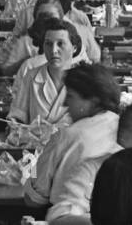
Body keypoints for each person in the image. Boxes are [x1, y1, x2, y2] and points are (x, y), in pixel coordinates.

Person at [24, 64, 122, 212]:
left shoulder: (66, 137)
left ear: (93, 101)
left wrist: (32, 168)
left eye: (70, 96)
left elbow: (34, 198)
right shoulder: (126, 128)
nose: (65, 104)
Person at [8, 19, 82, 125]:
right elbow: (16, 117)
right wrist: (17, 129)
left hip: (70, 141)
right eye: (48, 44)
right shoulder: (31, 77)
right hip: (33, 141)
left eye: (60, 44)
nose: (53, 50)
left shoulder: (84, 81)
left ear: (74, 48)